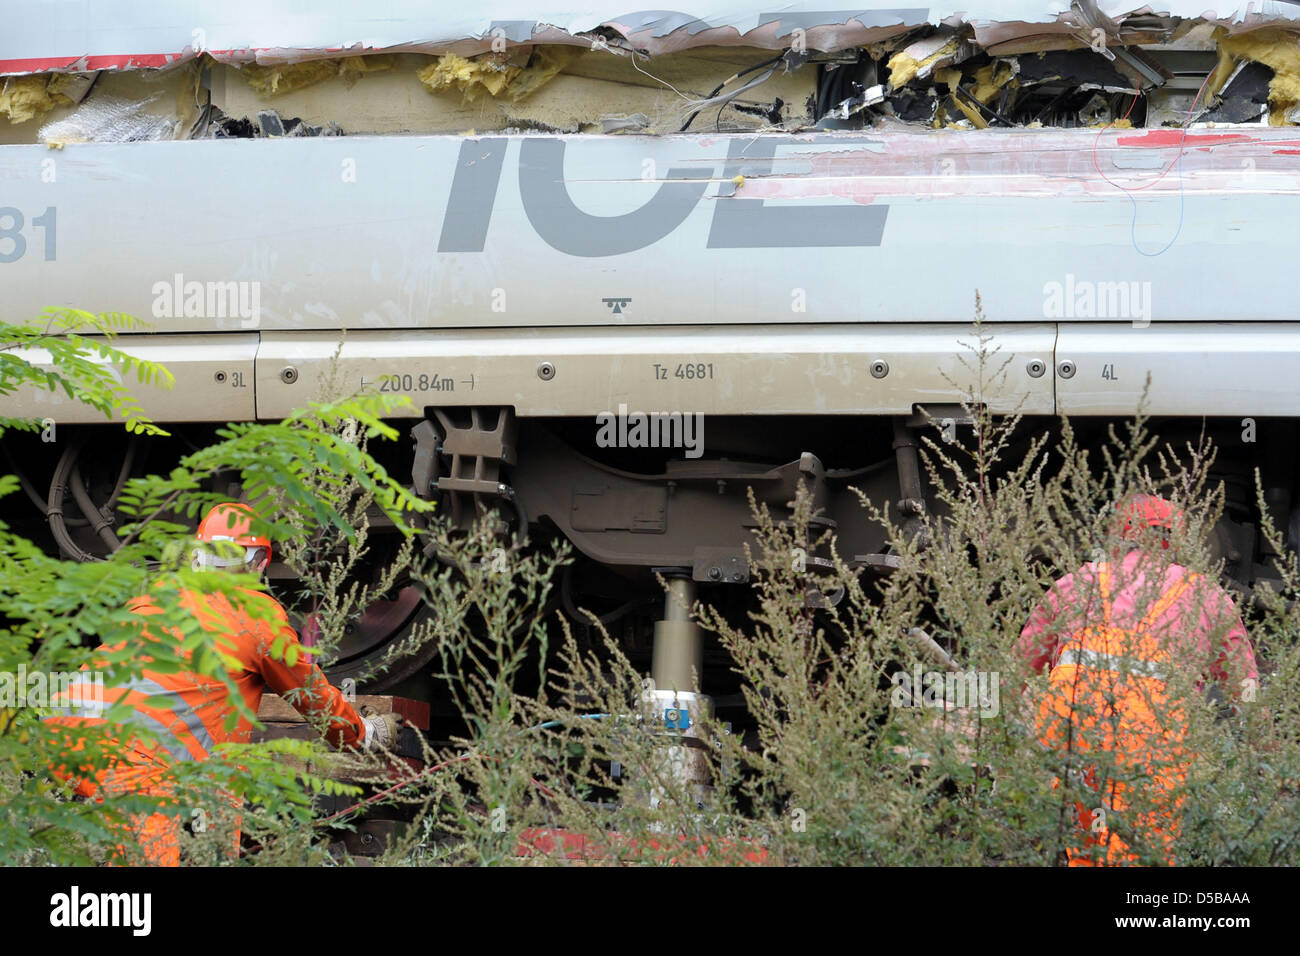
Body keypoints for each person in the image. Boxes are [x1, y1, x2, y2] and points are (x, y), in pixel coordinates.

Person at [45, 501, 401, 865]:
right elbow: (310, 694)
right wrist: (364, 734)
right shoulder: (254, 617)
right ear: (260, 562)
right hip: (135, 764)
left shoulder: (155, 596)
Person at [1019, 494, 1259, 866]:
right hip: (1153, 731)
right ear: (1179, 539)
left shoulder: (1074, 583)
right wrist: (1267, 752)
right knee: (1143, 842)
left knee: (1084, 838)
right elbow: (1246, 687)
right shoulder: (1206, 595)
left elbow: (1017, 669)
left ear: (1117, 535)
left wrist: (989, 738)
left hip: (1076, 723)